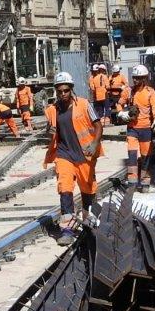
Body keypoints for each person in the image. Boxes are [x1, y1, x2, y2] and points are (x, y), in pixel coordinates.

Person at [44, 71, 103, 246]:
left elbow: (98, 126)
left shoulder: (84, 104)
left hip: (84, 155)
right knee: (65, 189)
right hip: (64, 155)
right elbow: (49, 130)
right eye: (59, 91)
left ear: (71, 89)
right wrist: (49, 132)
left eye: (66, 90)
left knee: (88, 190)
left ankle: (88, 220)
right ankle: (67, 230)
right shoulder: (52, 110)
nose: (63, 94)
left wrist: (94, 144)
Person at [118, 64, 155, 190]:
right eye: (134, 77)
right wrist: (121, 113)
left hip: (146, 129)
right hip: (132, 129)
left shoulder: (150, 92)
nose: (135, 80)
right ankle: (132, 182)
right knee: (132, 155)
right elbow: (119, 104)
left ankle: (145, 182)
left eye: (138, 78)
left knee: (145, 156)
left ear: (144, 78)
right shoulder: (128, 91)